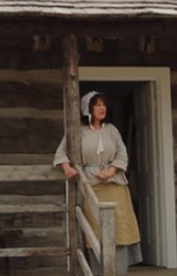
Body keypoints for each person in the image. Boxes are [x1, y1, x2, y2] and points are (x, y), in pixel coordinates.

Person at [54, 91, 143, 274]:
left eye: (104, 104)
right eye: (97, 104)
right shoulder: (78, 131)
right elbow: (61, 153)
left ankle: (119, 271)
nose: (102, 108)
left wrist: (111, 170)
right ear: (88, 108)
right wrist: (67, 167)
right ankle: (99, 271)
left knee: (120, 228)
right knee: (97, 229)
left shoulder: (112, 130)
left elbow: (122, 154)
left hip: (115, 185)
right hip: (92, 187)